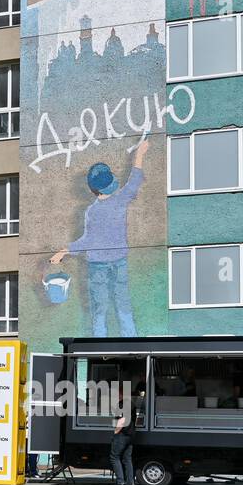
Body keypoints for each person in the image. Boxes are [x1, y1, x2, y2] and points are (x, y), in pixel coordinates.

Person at [50, 138, 148, 338]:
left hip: (97, 267)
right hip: (119, 261)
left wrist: (63, 251)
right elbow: (134, 181)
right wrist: (139, 155)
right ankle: (131, 341)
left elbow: (87, 241)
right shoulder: (121, 199)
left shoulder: (92, 212)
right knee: (123, 302)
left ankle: (99, 345)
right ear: (112, 183)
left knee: (99, 308)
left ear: (93, 189)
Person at [108, 389, 135, 485]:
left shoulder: (121, 404)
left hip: (122, 434)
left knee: (114, 457)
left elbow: (121, 420)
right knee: (127, 459)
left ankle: (120, 484)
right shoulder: (131, 404)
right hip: (131, 435)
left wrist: (115, 433)